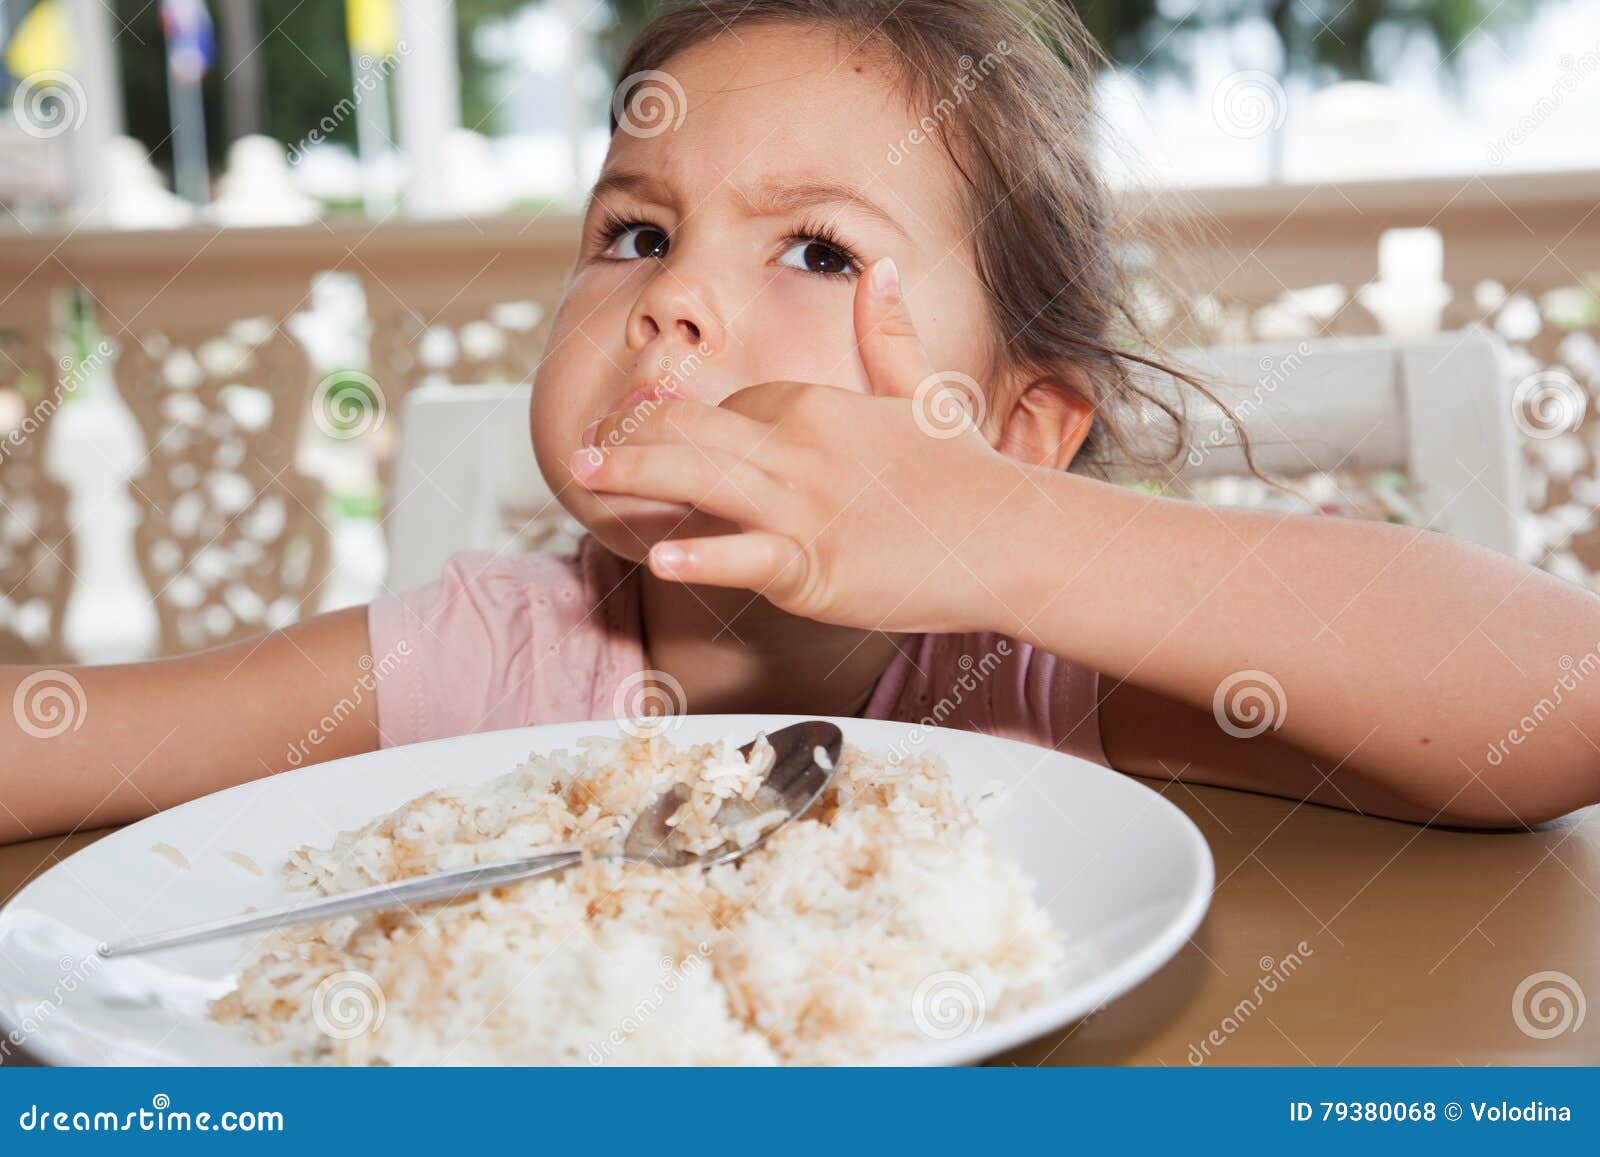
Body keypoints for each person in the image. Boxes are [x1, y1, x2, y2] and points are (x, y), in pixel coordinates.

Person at [4, 0, 1597, 845]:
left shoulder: (1043, 677)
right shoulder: (490, 656)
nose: (670, 298)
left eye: (819, 250)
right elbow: (72, 743)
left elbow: (1560, 705)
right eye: (636, 231)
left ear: (1023, 424)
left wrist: (1010, 540)